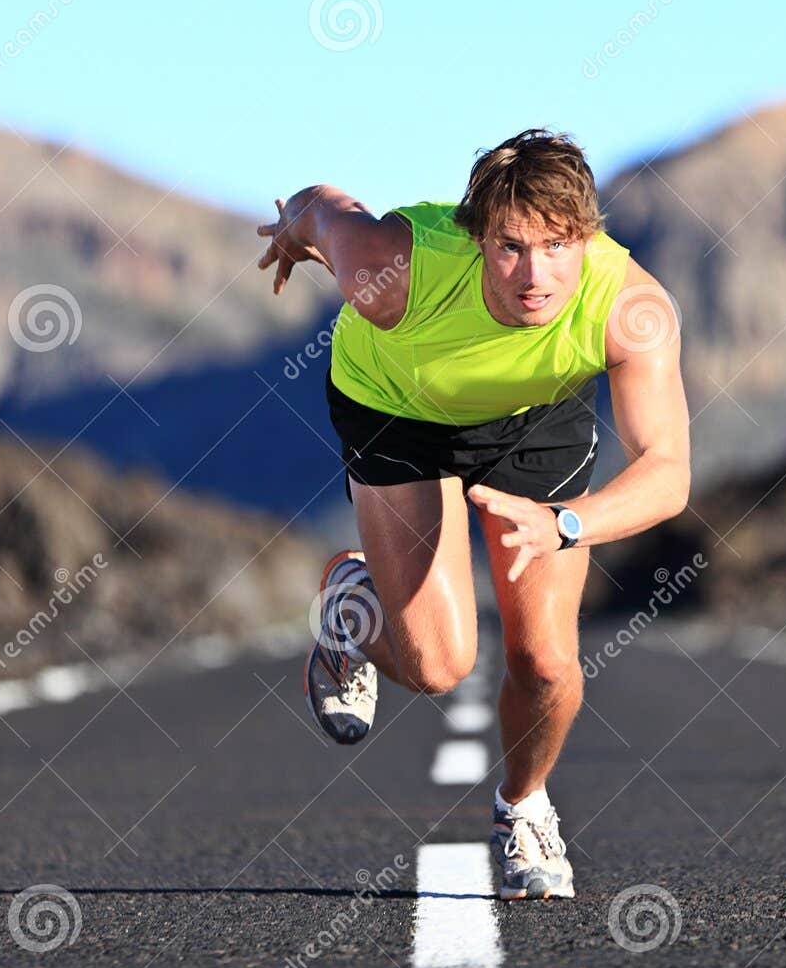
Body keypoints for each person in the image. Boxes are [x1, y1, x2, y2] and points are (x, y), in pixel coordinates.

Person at [255, 128, 690, 900]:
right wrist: (294, 229)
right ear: (477, 237)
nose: (535, 275)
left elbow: (668, 473)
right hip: (394, 408)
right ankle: (353, 607)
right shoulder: (394, 271)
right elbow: (324, 210)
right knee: (436, 666)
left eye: (557, 247)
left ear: (588, 238)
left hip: (535, 420)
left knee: (547, 662)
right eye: (511, 247)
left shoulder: (631, 308)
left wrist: (566, 525)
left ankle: (525, 808)